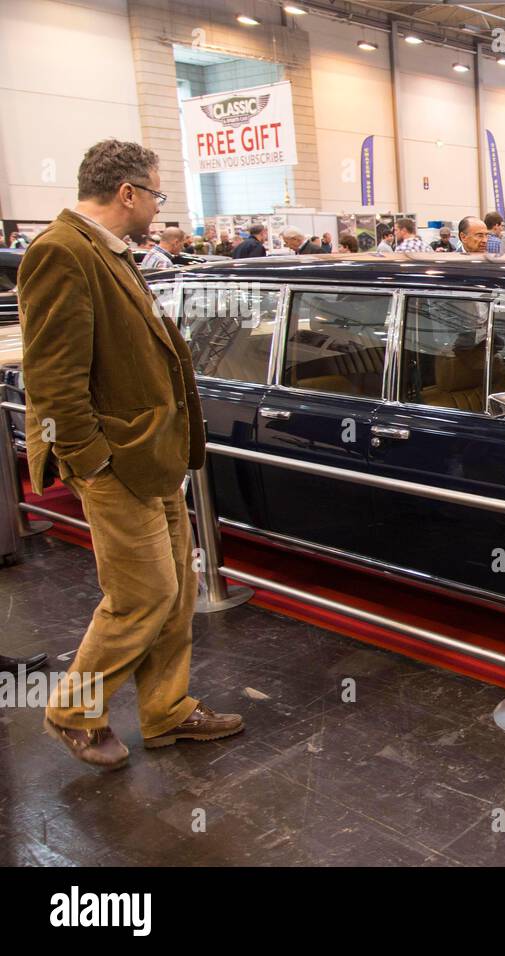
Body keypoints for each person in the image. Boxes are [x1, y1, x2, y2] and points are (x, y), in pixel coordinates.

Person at [18, 139, 241, 769]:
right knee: (141, 595)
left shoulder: (105, 252)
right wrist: (89, 460)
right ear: (128, 194)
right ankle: (73, 711)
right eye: (156, 194)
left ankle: (167, 710)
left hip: (148, 454)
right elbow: (54, 378)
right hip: (115, 461)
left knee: (176, 590)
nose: (157, 208)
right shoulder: (61, 252)